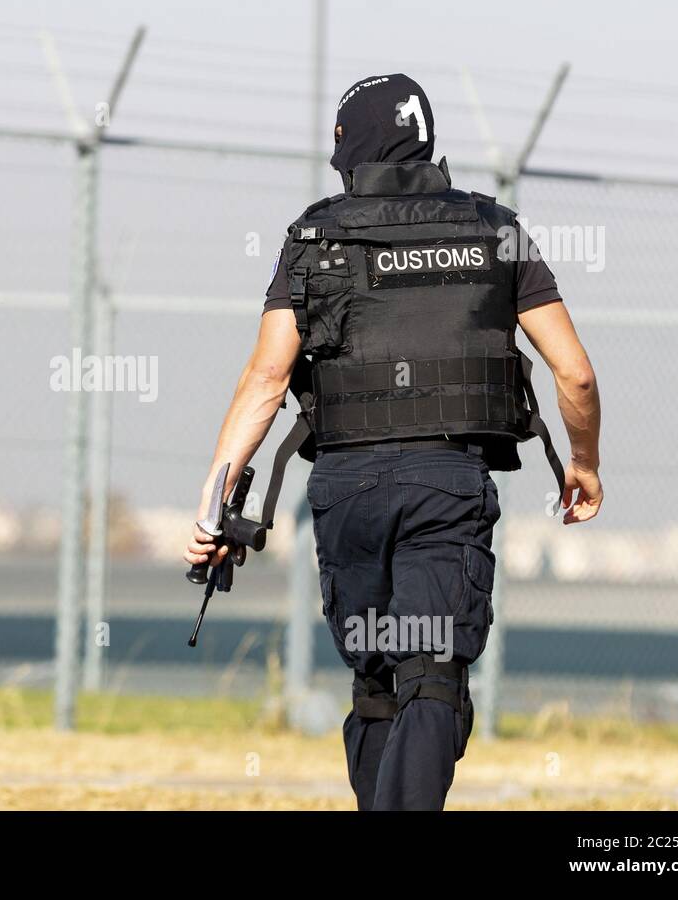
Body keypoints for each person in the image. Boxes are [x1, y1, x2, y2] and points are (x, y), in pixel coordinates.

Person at [182, 73, 602, 810]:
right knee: (432, 675)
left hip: (346, 492)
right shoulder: (494, 228)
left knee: (378, 684)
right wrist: (584, 464)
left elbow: (265, 379)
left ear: (348, 146)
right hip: (447, 486)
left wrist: (214, 509)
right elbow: (575, 373)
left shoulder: (314, 235)